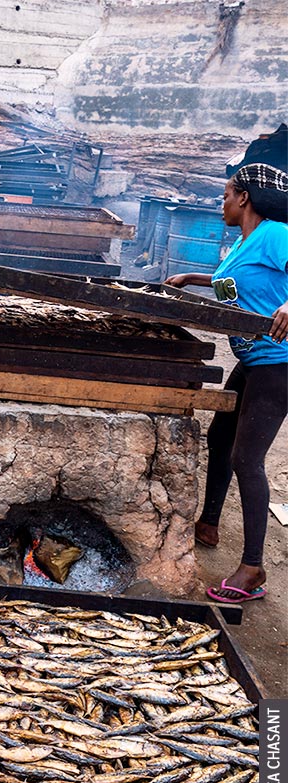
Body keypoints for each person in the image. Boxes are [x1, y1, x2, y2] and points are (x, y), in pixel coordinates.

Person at [165, 163, 288, 602]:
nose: (222, 204)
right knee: (220, 438)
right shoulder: (244, 242)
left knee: (247, 459)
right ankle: (209, 523)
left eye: (225, 196)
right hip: (255, 358)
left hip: (280, 362)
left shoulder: (276, 233)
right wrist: (194, 279)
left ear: (245, 197)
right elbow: (236, 289)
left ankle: (253, 568)